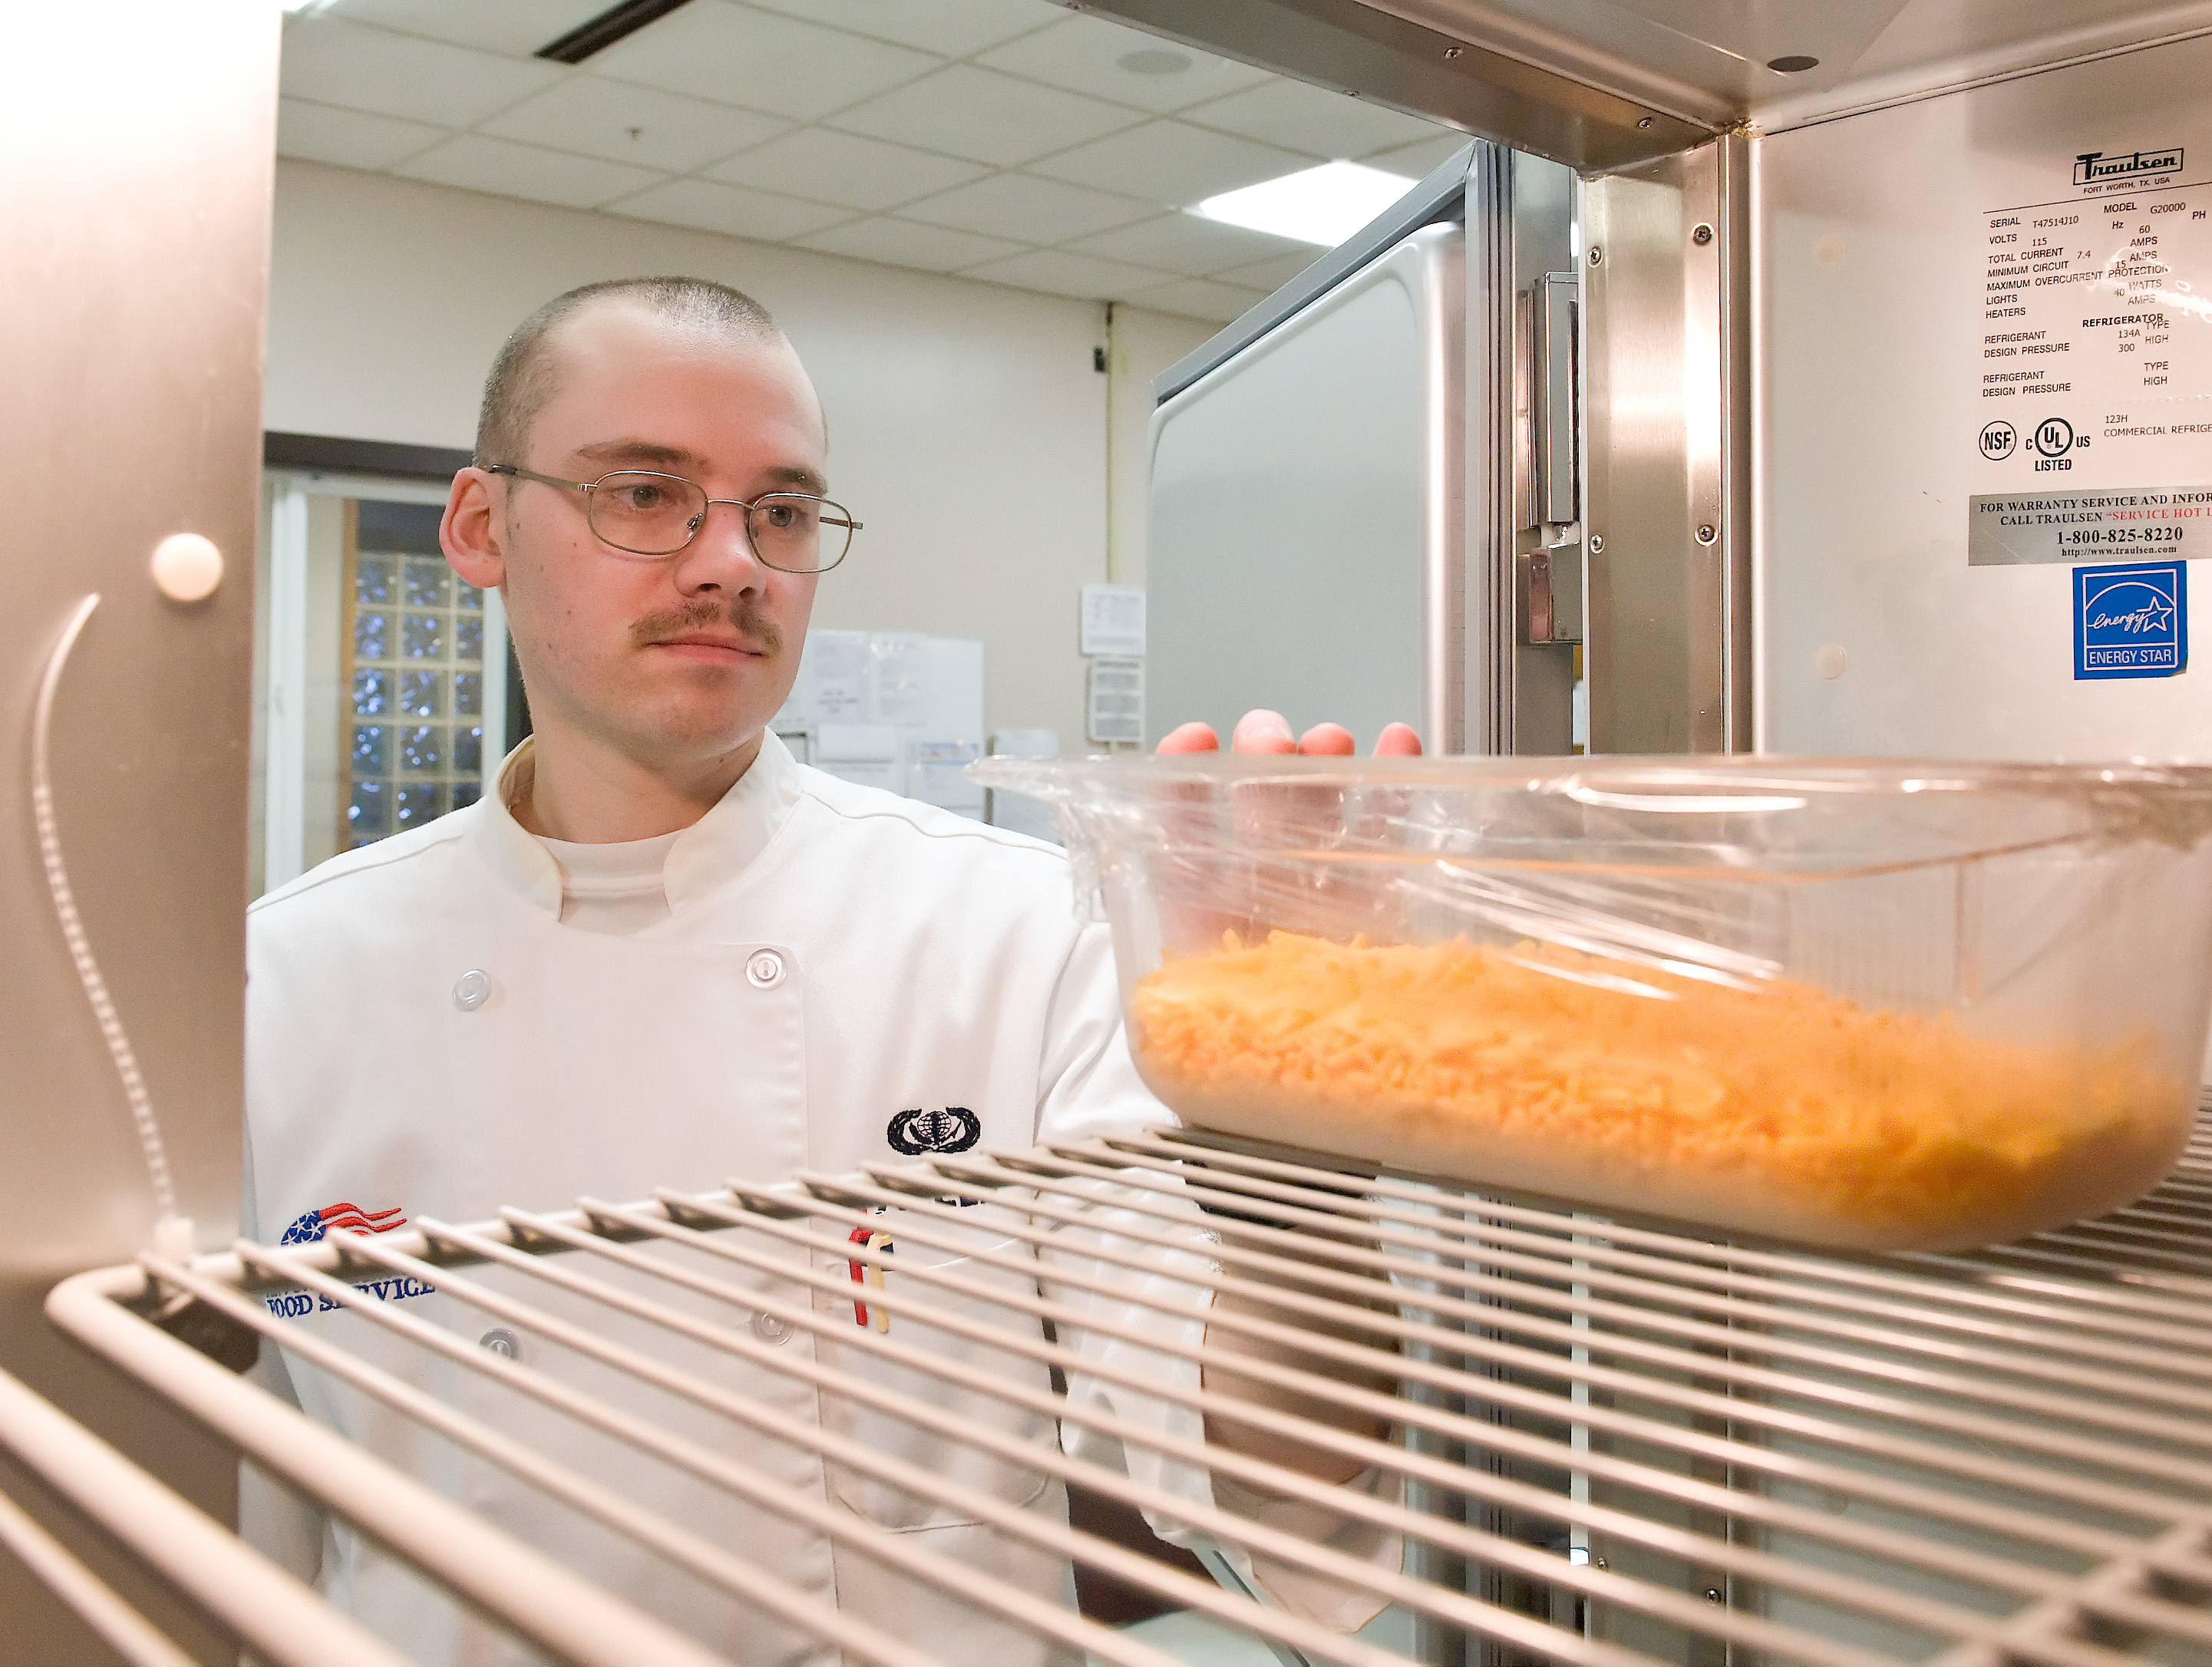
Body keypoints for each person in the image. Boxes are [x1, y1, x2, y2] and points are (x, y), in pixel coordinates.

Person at [242, 276, 1415, 1665]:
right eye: (644, 493)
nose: (729, 560)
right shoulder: (284, 986)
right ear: (481, 527)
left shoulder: (1017, 933)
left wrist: (1292, 1175)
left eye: (781, 512)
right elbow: (238, 1533)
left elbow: (1253, 1479)